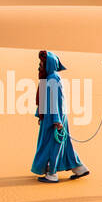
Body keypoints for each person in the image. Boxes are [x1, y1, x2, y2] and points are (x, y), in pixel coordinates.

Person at [31, 50, 89, 183]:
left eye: (42, 62)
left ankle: (52, 174)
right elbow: (45, 100)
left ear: (49, 64)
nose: (39, 65)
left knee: (52, 145)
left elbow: (57, 101)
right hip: (51, 118)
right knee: (64, 144)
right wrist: (40, 116)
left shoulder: (52, 79)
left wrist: (56, 120)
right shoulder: (48, 78)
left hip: (54, 119)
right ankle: (79, 168)